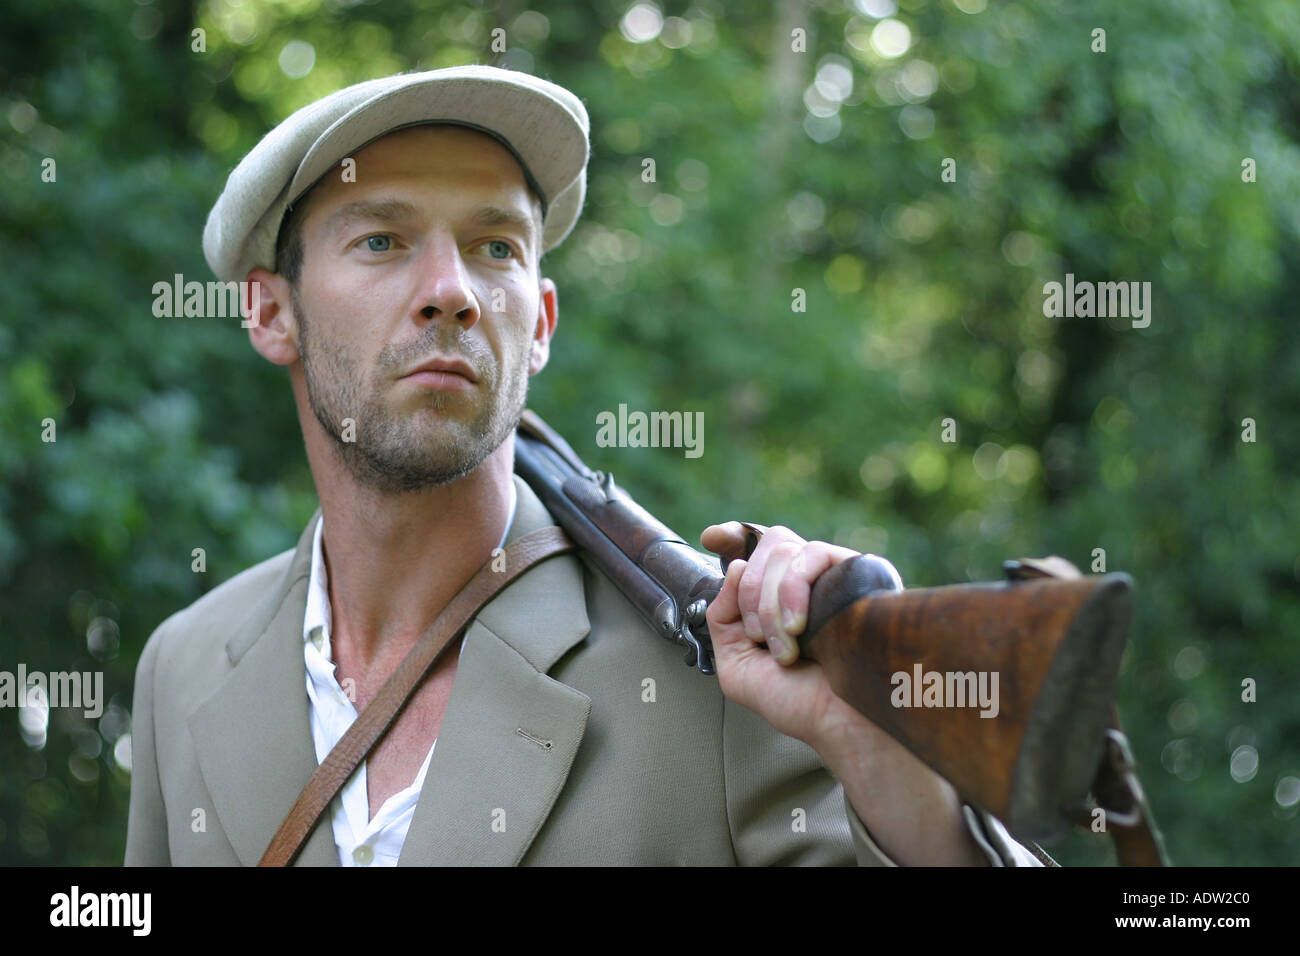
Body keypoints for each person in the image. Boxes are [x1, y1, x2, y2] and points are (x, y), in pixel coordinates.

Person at [125, 65, 1043, 866]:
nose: (450, 292)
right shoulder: (185, 669)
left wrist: (885, 757)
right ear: (270, 312)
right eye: (381, 240)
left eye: (496, 248)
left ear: (542, 326)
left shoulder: (727, 676)